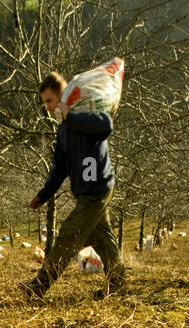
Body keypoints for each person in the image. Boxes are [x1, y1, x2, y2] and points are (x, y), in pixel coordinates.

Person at [20, 73, 125, 300]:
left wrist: (72, 116)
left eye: (49, 101)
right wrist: (44, 195)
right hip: (87, 192)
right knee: (103, 240)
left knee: (68, 235)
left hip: (96, 190)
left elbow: (105, 125)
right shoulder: (63, 129)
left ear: (62, 96)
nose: (46, 107)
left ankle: (39, 286)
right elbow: (60, 167)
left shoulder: (81, 115)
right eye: (44, 102)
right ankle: (118, 285)